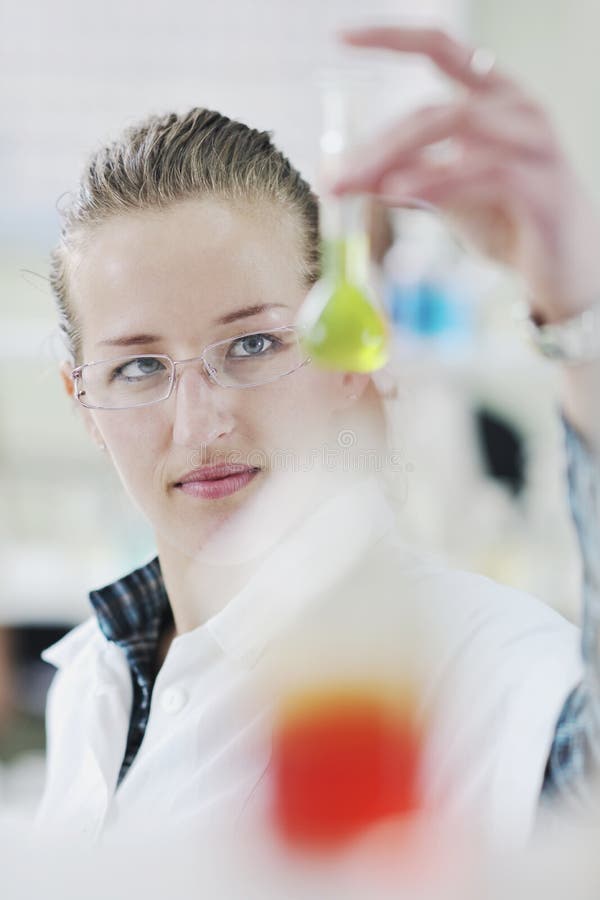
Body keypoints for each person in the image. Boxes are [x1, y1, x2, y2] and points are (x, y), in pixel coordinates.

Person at [34, 26, 598, 849]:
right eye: (138, 368)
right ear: (82, 402)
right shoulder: (92, 681)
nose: (202, 422)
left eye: (254, 344)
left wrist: (580, 314)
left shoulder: (469, 660)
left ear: (346, 352)